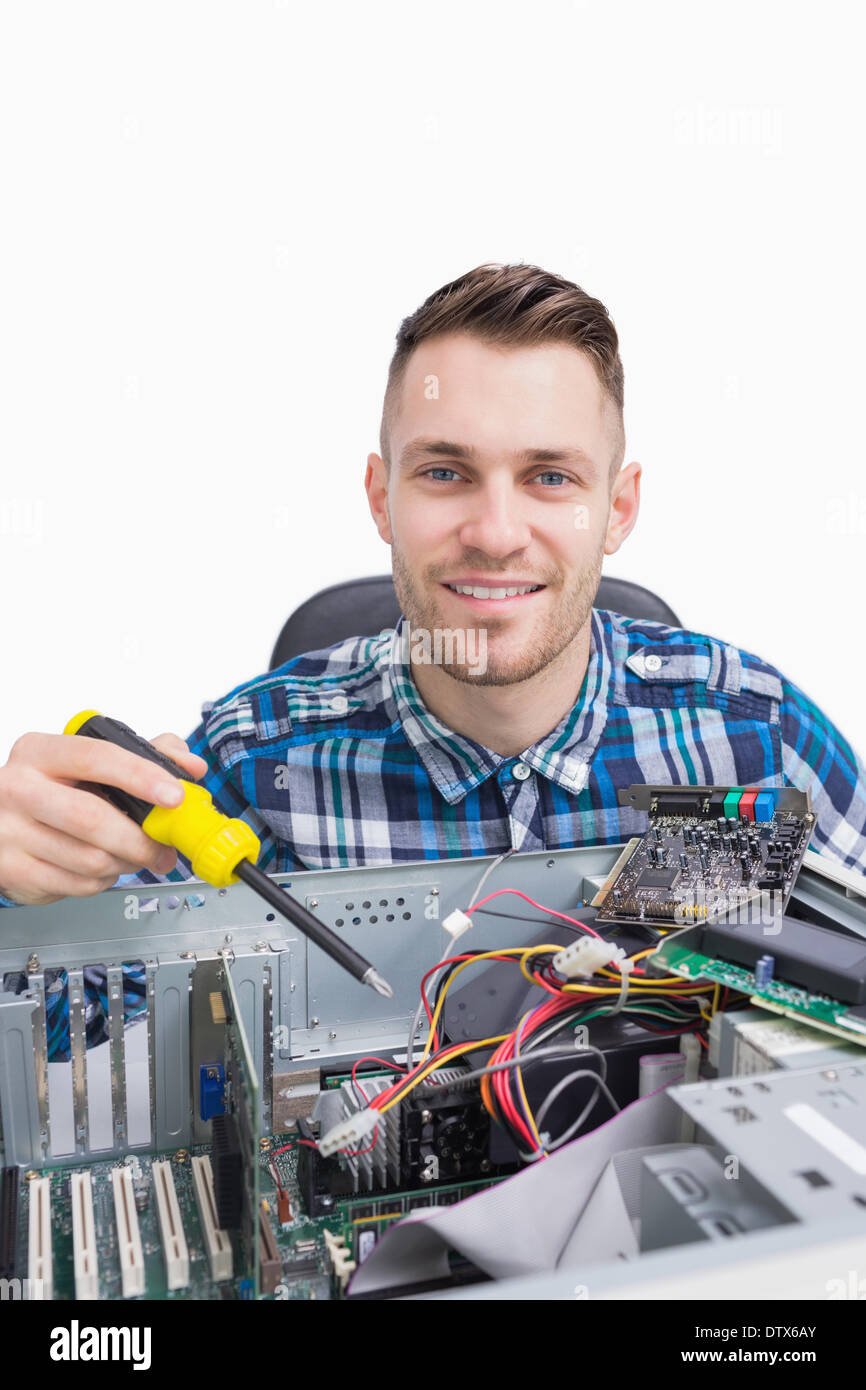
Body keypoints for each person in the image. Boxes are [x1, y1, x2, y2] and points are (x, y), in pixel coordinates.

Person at [2, 262, 865, 923]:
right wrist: (16, 887)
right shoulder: (251, 768)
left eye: (551, 476)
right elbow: (77, 1030)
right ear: (382, 498)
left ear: (618, 508)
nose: (495, 532)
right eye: (446, 471)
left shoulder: (756, 739)